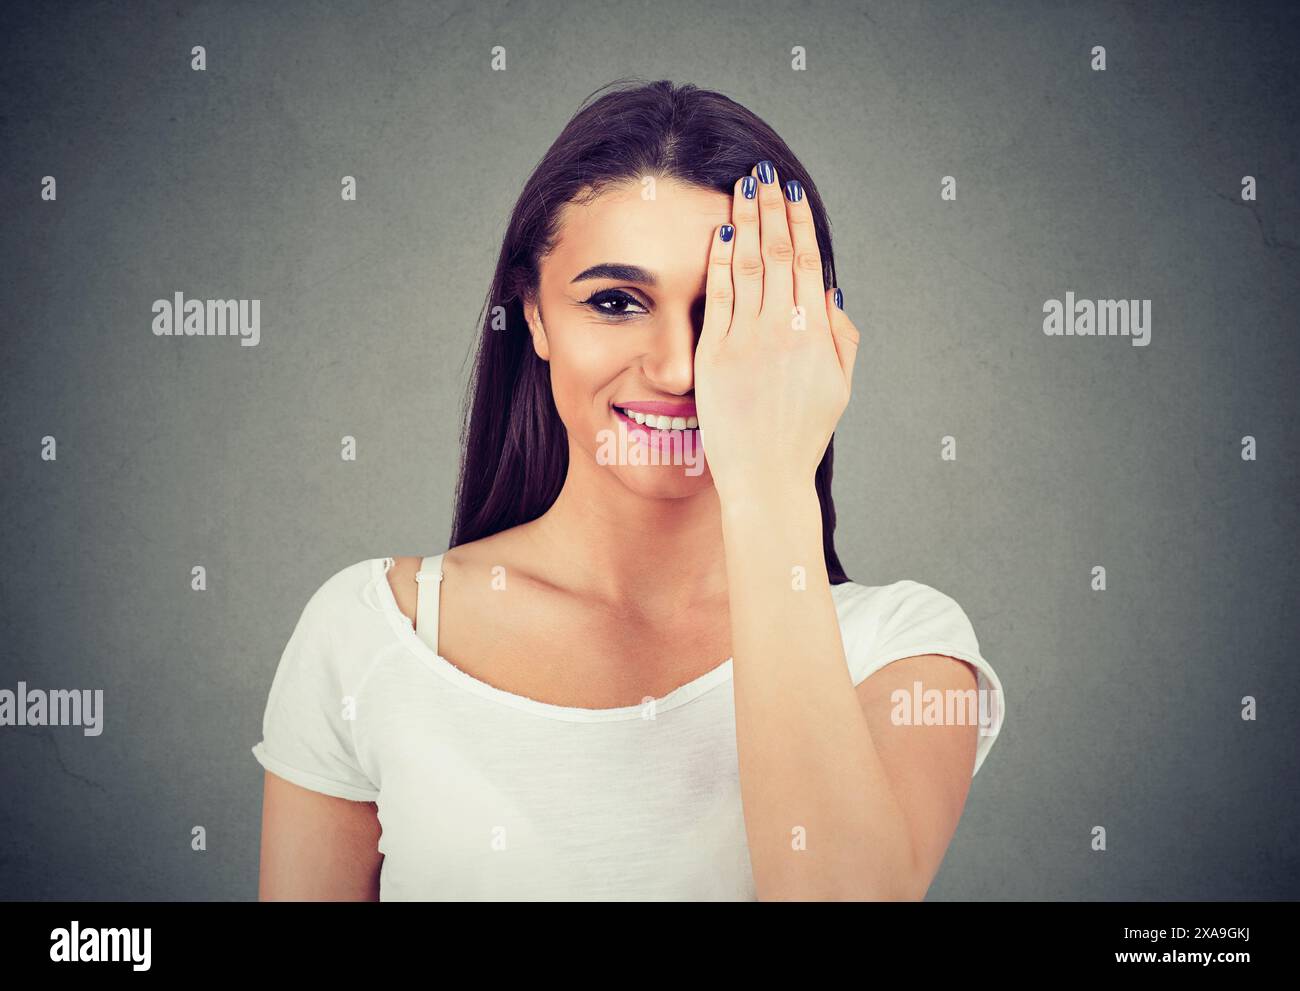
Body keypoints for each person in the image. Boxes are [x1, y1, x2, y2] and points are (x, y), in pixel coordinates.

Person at [252, 79, 1006, 901]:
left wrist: (769, 481)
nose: (679, 367)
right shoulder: (369, 634)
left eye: (725, 308)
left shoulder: (903, 654)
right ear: (533, 315)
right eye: (615, 302)